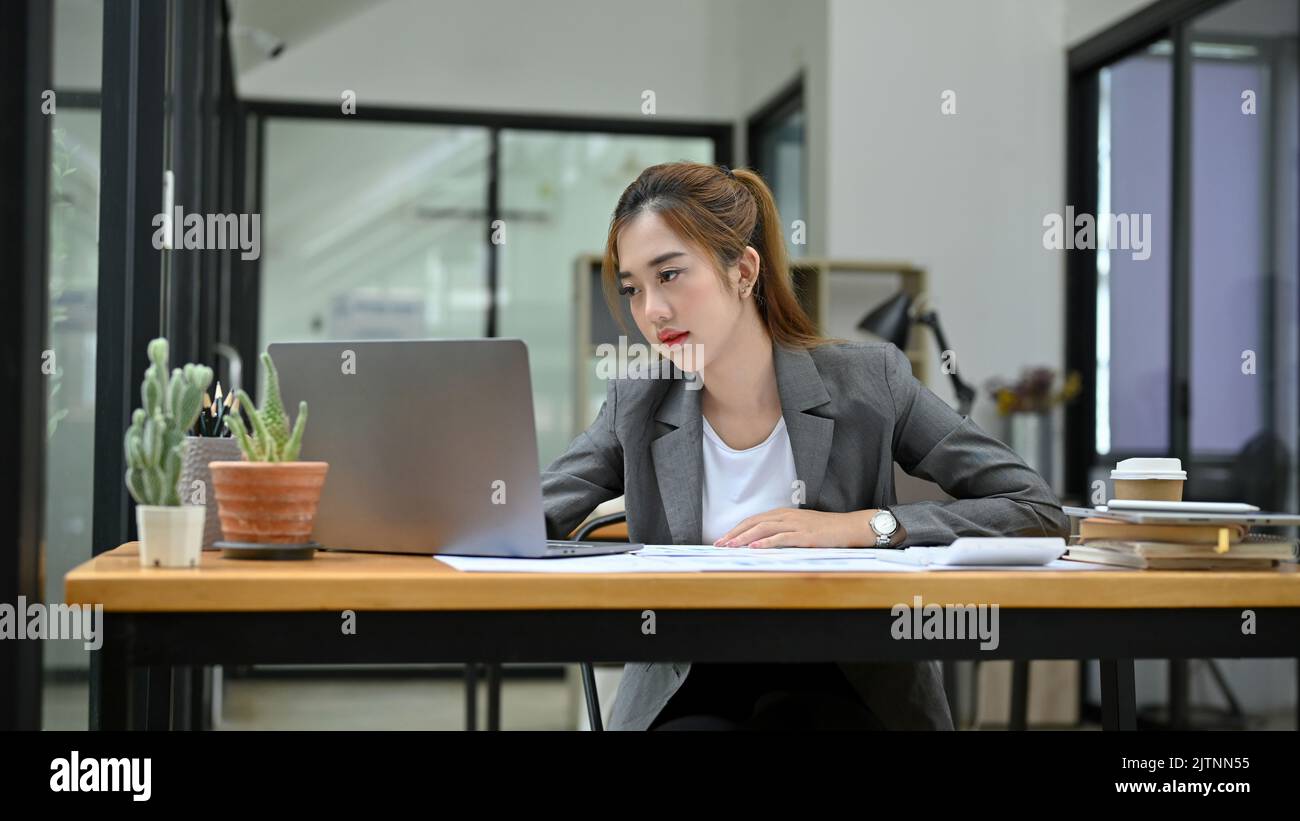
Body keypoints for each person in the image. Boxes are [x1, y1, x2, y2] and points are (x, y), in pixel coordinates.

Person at [541, 161, 1068, 730]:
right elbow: (521, 515)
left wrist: (863, 527)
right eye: (632, 289)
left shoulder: (869, 382)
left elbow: (1033, 509)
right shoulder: (637, 403)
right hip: (688, 682)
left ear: (743, 271)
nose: (651, 312)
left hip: (847, 675)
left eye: (669, 275)